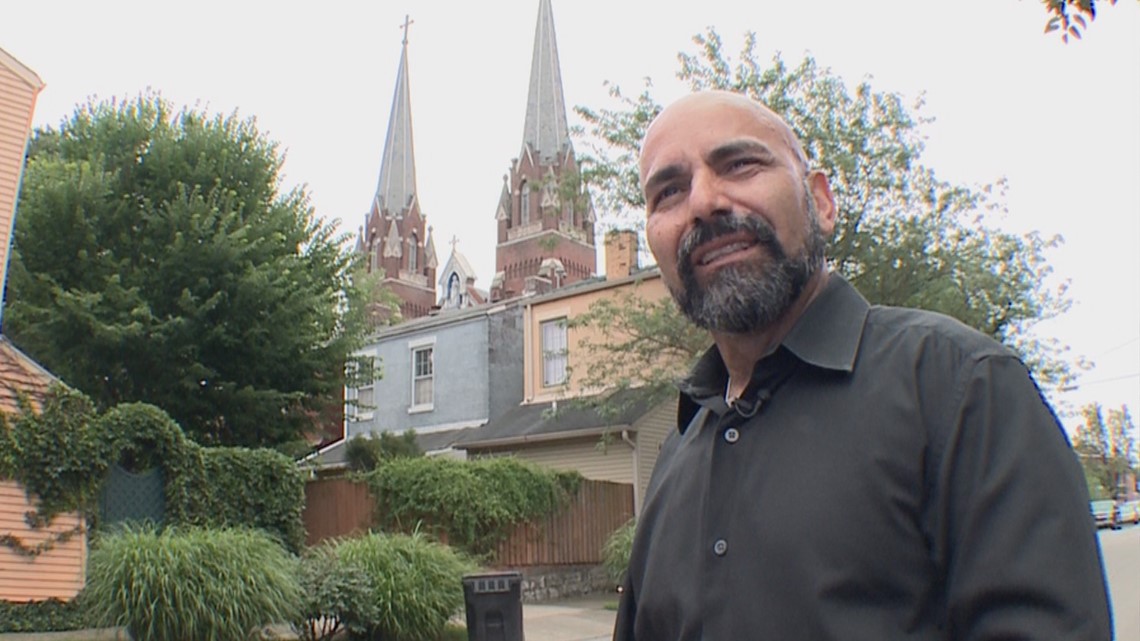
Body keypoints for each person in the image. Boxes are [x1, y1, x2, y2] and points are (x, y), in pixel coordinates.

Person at [613, 90, 1112, 640]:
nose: (703, 201)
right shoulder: (676, 450)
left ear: (821, 202)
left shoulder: (961, 389)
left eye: (739, 165)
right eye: (669, 191)